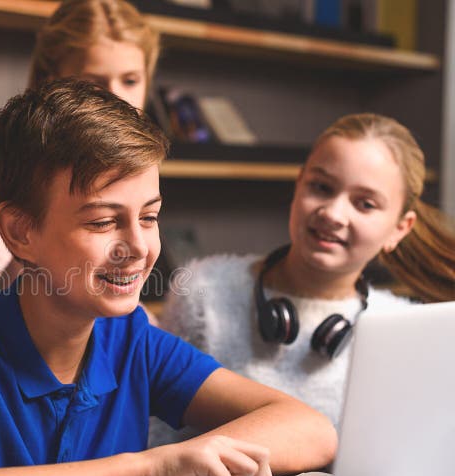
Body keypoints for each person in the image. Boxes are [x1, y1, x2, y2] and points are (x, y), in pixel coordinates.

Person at [0, 79, 337, 476]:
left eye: (149, 216)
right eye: (104, 222)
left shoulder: (133, 340)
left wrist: (192, 460)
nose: (139, 247)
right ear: (21, 232)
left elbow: (312, 431)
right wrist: (145, 470)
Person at [153, 113, 455, 446]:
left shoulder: (404, 330)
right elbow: (157, 434)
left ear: (400, 228)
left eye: (365, 204)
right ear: (298, 185)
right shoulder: (204, 290)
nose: (333, 214)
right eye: (321, 188)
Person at [0, 0, 158, 312]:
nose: (116, 96)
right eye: (93, 83)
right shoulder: (31, 162)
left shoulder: (141, 167)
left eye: (130, 80)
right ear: (52, 79)